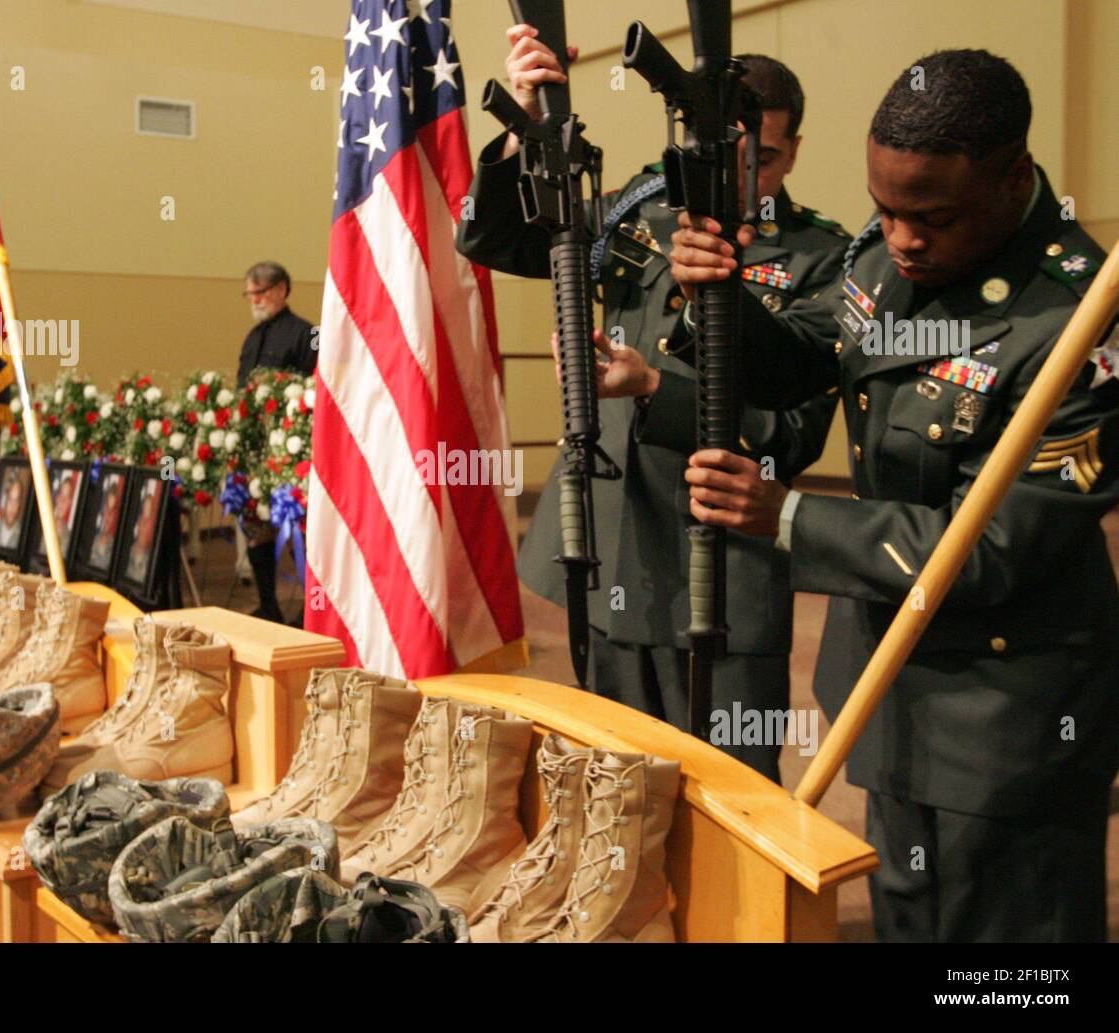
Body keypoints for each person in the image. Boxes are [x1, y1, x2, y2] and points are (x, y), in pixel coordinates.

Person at [632, 49, 1118, 942]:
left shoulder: (1081, 319)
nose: (900, 237)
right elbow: (803, 360)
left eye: (928, 217)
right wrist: (719, 300)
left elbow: (996, 546)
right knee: (909, 922)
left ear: (1014, 180)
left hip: (1009, 715)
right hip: (891, 689)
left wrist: (788, 516)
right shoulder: (889, 259)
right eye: (886, 209)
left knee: (1010, 967)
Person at [457, 24, 849, 780]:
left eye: (761, 159)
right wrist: (529, 132)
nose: (739, 176)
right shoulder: (644, 213)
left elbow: (789, 436)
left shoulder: (820, 257)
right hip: (607, 549)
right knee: (612, 784)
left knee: (733, 793)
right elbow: (498, 239)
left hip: (722, 576)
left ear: (793, 150)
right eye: (725, 155)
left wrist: (653, 389)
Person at [236, 260, 317, 623]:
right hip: (256, 449)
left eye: (260, 292)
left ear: (282, 289)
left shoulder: (305, 334)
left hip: (291, 450)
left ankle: (309, 610)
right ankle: (268, 604)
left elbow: (315, 389)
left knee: (299, 530)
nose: (254, 299)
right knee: (257, 528)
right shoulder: (252, 337)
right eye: (249, 293)